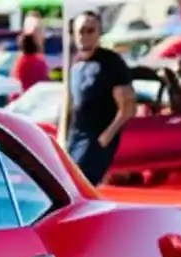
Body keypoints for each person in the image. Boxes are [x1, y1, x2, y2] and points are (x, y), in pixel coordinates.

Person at [66, 11, 136, 185]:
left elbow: (128, 107)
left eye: (90, 30)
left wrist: (107, 136)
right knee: (69, 183)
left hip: (97, 141)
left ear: (98, 33)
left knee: (83, 184)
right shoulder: (75, 64)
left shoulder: (111, 63)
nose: (85, 35)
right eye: (81, 31)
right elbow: (70, 104)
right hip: (75, 138)